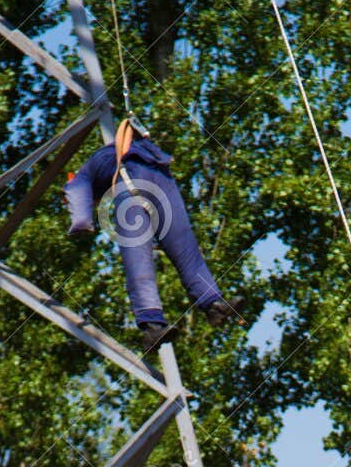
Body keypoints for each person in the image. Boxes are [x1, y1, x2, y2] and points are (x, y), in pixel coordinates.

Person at [64, 119, 241, 354]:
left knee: (137, 258)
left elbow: (76, 193)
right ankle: (214, 304)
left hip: (133, 180)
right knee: (185, 249)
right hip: (161, 178)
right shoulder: (114, 154)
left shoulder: (86, 172)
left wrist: (82, 222)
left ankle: (152, 325)